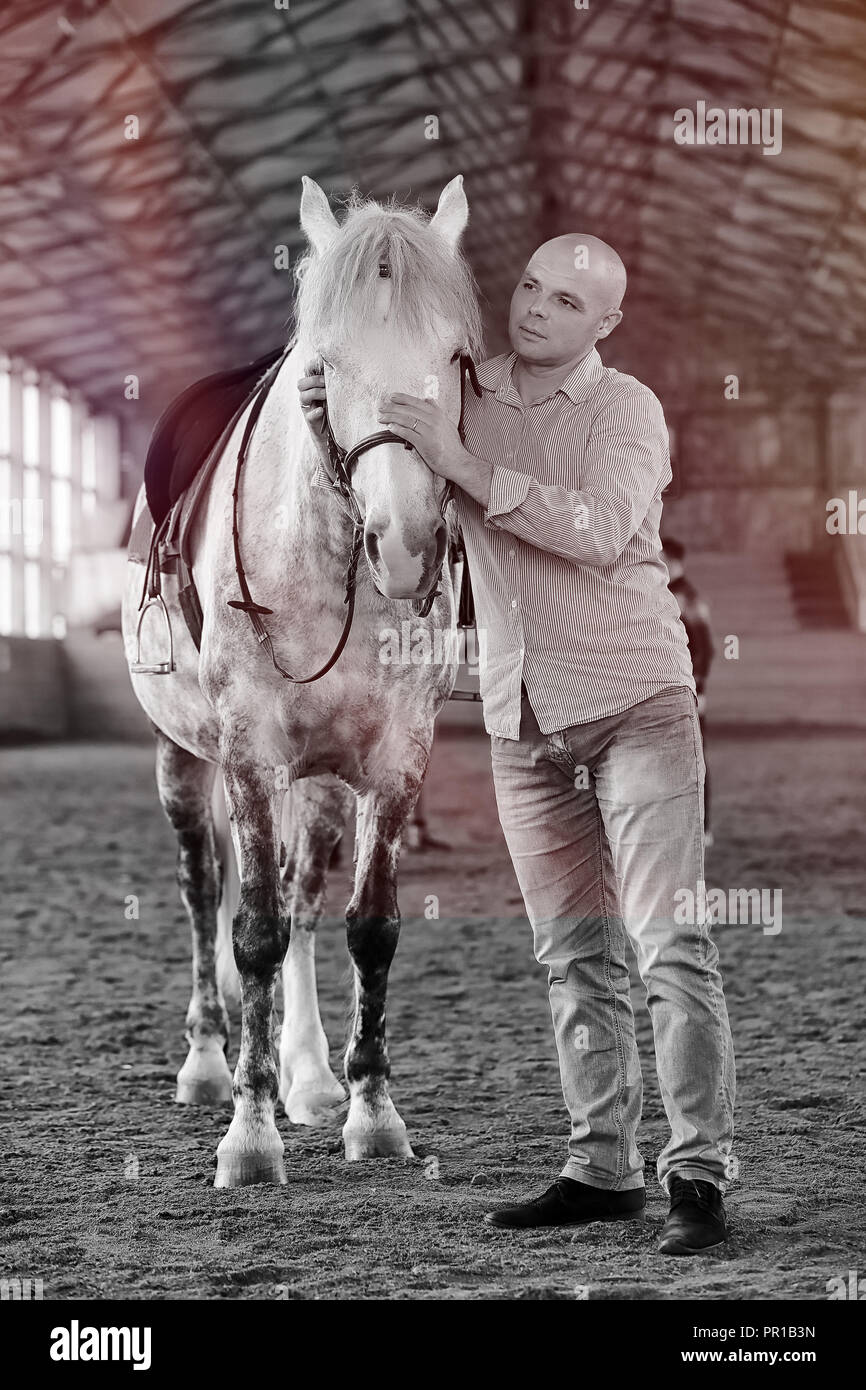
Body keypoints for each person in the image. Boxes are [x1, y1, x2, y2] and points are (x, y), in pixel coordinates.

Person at [298, 232, 735, 1256]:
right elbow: (384, 465)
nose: (537, 309)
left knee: (668, 947)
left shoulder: (626, 410)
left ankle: (697, 1176)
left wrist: (462, 464)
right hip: (519, 721)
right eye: (531, 288)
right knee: (572, 955)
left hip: (636, 702)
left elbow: (597, 525)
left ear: (603, 323)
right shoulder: (461, 389)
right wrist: (337, 418)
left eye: (567, 302)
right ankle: (598, 1167)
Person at [661, 536, 715, 845]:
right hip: (672, 691)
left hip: (689, 691)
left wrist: (699, 687)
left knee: (696, 760)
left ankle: (703, 827)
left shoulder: (689, 598)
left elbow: (706, 650)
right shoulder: (666, 593)